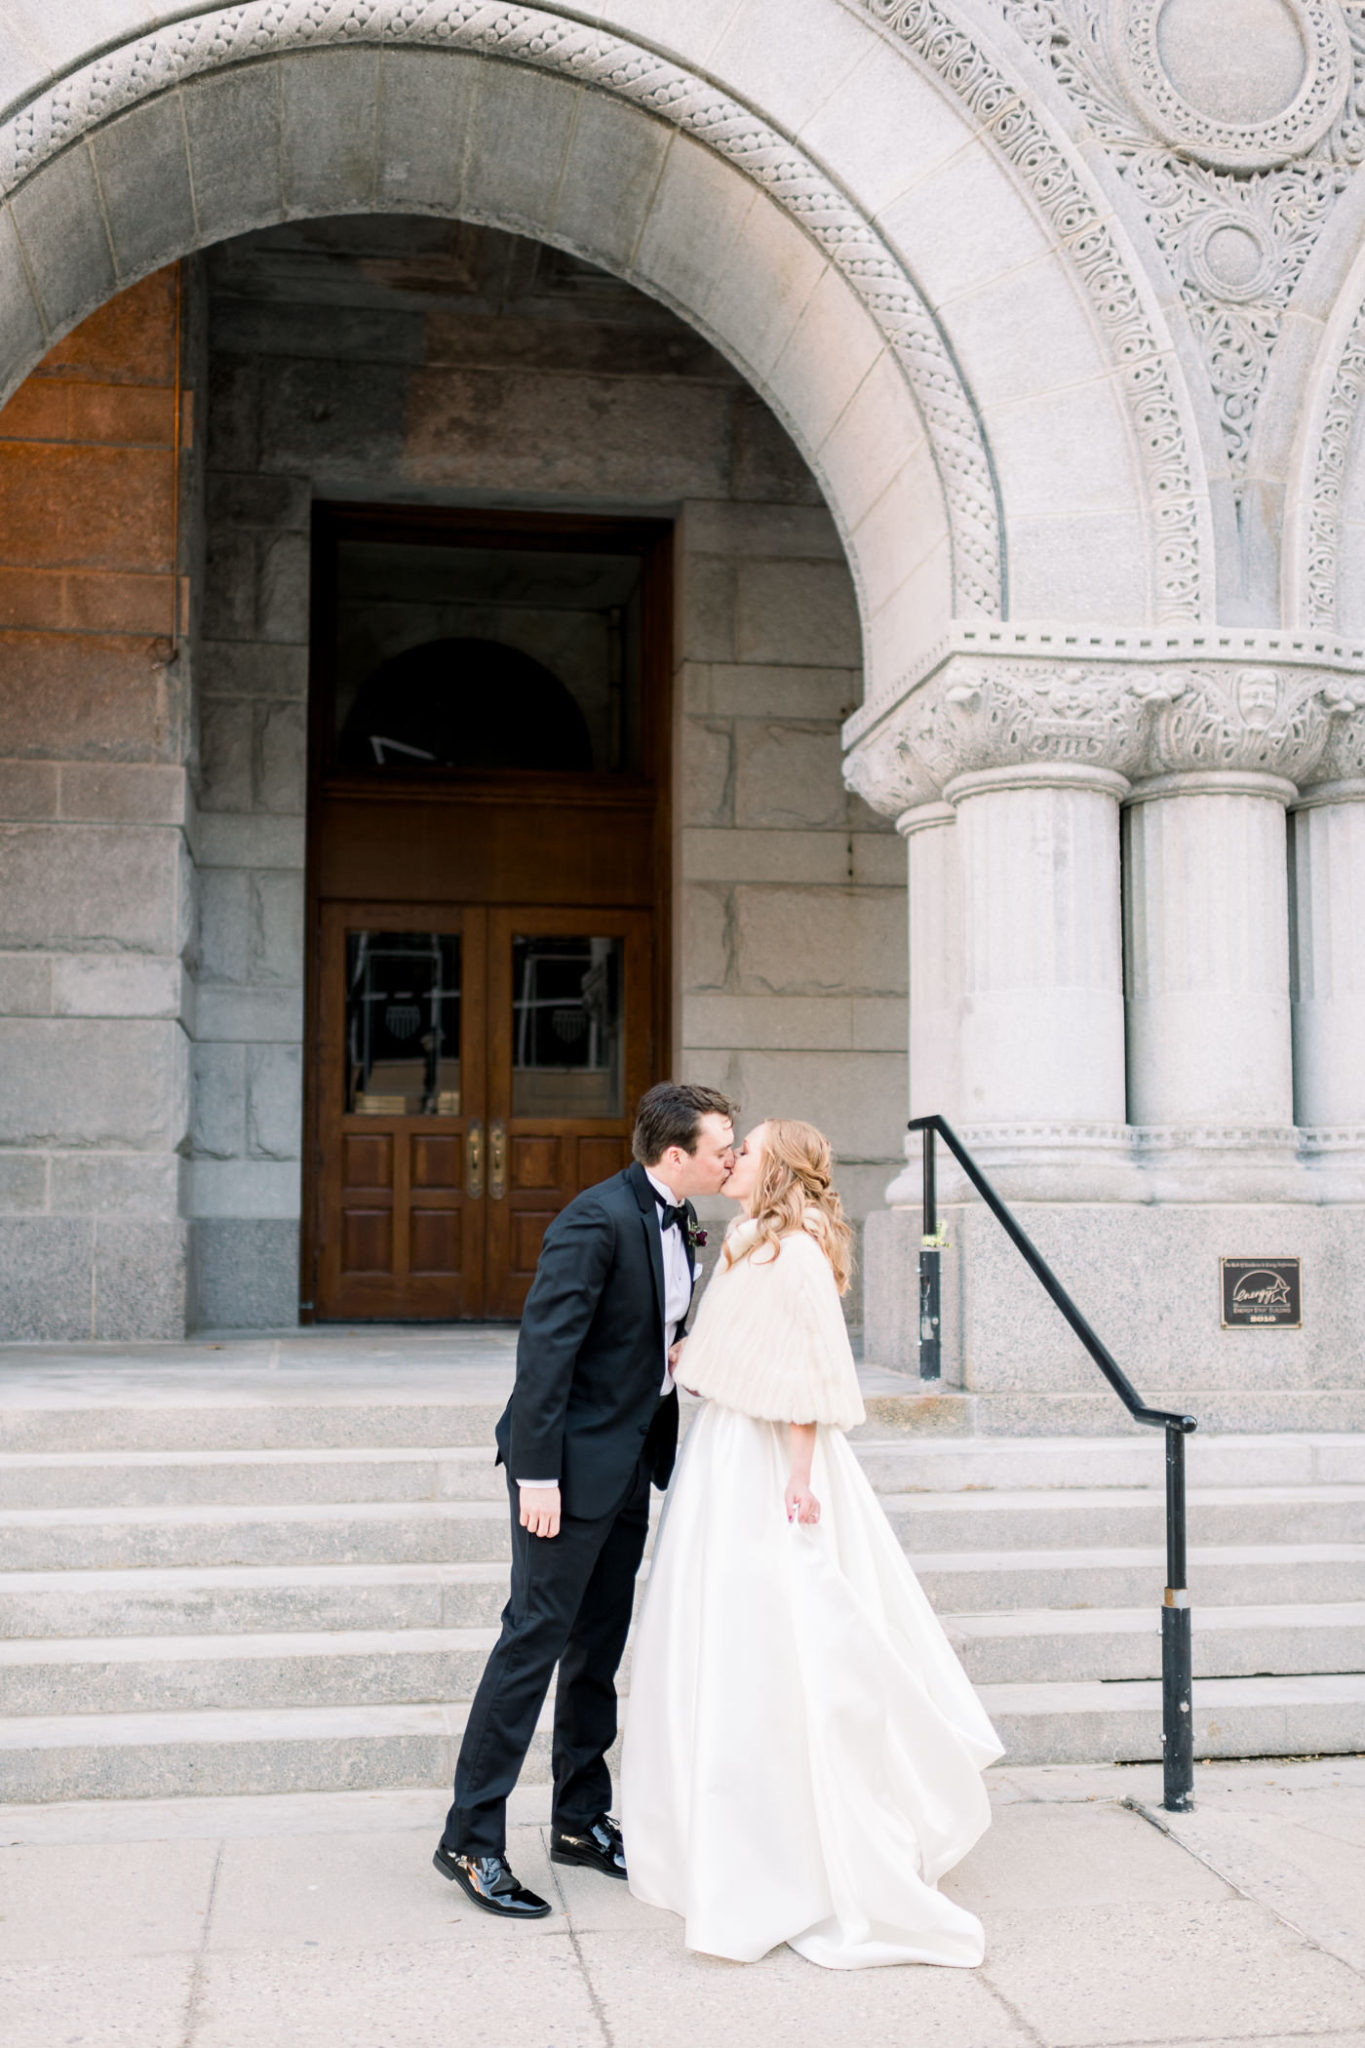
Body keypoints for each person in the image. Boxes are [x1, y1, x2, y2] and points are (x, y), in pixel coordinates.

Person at [621, 1118, 1003, 1969]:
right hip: (720, 1446)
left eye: (745, 1150)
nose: (733, 1158)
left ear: (776, 1168)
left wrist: (797, 1475)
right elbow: (738, 1345)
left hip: (769, 1460)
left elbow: (809, 1369)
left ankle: (804, 1835)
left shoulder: (795, 1251)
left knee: (780, 1635)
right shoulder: (744, 1240)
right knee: (706, 1625)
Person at [433, 1081, 737, 1919]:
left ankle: (576, 1819)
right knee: (532, 1643)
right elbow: (545, 1353)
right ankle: (470, 1838)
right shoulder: (595, 1217)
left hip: (631, 1462)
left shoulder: (675, 1217)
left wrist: (677, 1359)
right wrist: (537, 1476)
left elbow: (644, 1333)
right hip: (563, 1475)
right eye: (722, 1147)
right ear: (674, 1154)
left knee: (596, 1649)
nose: (732, 1158)